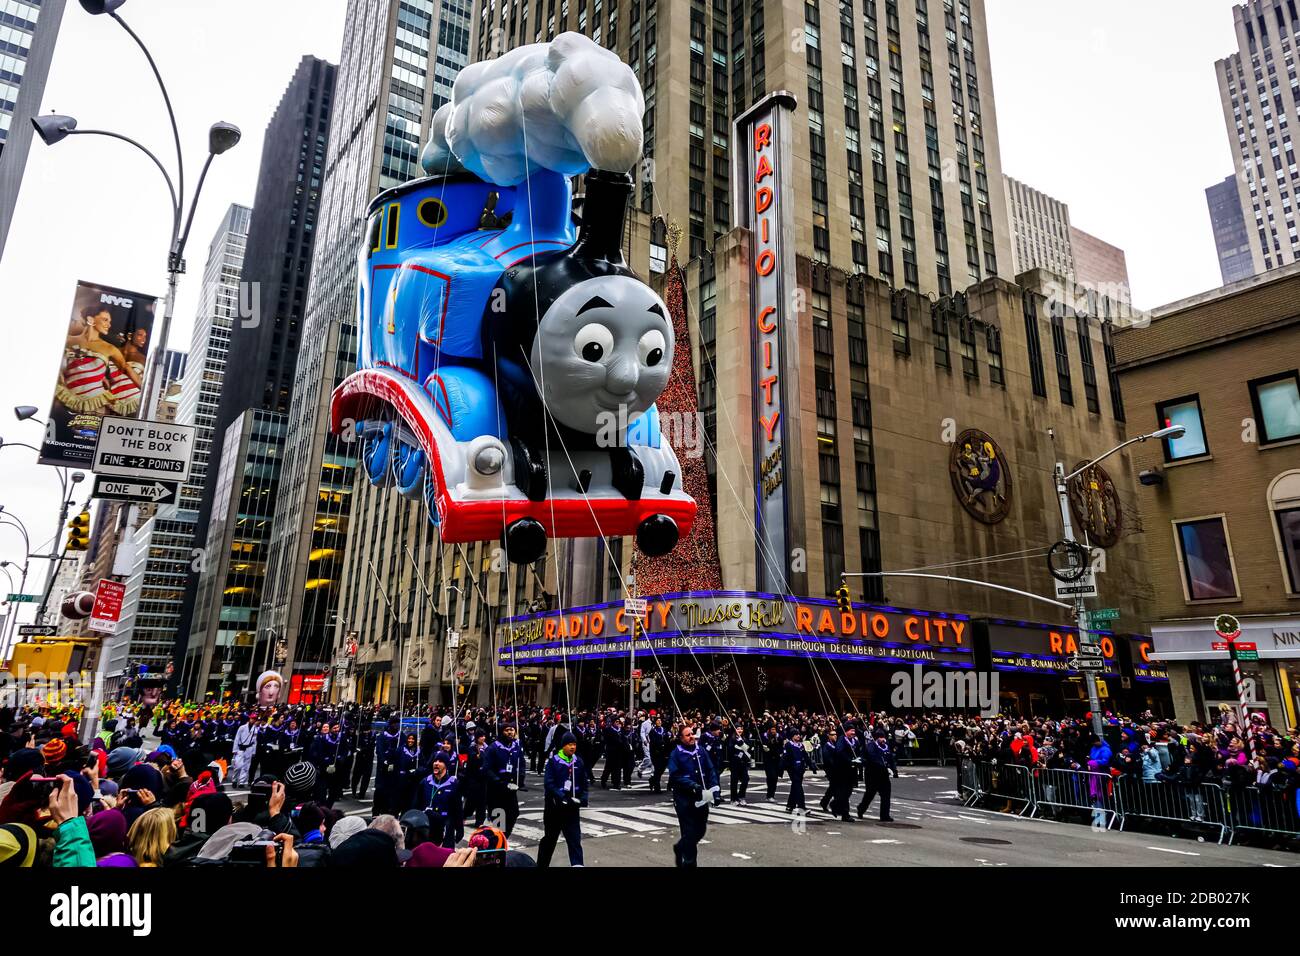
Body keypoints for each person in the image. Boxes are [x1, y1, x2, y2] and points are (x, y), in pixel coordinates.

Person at [667, 725, 718, 867]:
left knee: (700, 830)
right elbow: (675, 776)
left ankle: (680, 847)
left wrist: (716, 791)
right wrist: (692, 785)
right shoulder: (676, 754)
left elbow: (710, 770)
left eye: (692, 734)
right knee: (689, 832)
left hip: (701, 798)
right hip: (684, 800)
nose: (692, 737)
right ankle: (689, 862)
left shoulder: (700, 750)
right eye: (688, 735)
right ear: (681, 738)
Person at [537, 732, 587, 867]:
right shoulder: (554, 762)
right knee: (550, 840)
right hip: (554, 810)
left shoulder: (579, 761)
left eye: (574, 744)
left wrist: (583, 798)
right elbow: (549, 783)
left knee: (575, 840)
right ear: (563, 746)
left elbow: (584, 783)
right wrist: (561, 796)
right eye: (570, 744)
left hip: (571, 809)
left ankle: (577, 865)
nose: (572, 747)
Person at [483, 723, 526, 835]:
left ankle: (503, 839)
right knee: (499, 823)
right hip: (496, 793)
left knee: (513, 814)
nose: (510, 732)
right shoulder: (493, 748)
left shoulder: (516, 747)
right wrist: (498, 781)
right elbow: (487, 769)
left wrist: (520, 778)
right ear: (502, 732)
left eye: (512, 730)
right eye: (507, 730)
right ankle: (499, 846)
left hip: (510, 791)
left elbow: (521, 763)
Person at [857, 729, 896, 822]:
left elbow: (890, 758)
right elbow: (872, 758)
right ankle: (861, 808)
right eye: (881, 737)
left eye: (884, 737)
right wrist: (882, 764)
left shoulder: (886, 746)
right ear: (876, 738)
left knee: (886, 795)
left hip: (884, 774)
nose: (883, 739)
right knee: (870, 794)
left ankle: (885, 815)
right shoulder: (871, 746)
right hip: (872, 774)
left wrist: (894, 769)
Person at [830, 725, 863, 822]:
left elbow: (859, 751)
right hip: (842, 770)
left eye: (854, 731)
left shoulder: (855, 741)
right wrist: (850, 760)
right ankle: (844, 813)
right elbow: (839, 752)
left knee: (848, 792)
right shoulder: (842, 740)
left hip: (851, 771)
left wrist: (859, 759)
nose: (853, 732)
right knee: (843, 792)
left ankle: (837, 806)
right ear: (846, 731)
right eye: (851, 731)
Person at [782, 730, 810, 813]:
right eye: (796, 734)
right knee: (798, 787)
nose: (798, 736)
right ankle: (802, 807)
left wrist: (811, 765)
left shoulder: (801, 745)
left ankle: (790, 806)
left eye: (799, 734)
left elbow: (805, 755)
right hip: (792, 769)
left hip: (800, 769)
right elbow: (786, 757)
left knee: (795, 787)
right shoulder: (788, 745)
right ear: (792, 736)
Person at [728, 725, 753, 805]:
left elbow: (749, 748)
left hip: (743, 762)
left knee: (746, 779)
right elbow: (731, 749)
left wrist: (742, 744)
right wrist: (738, 746)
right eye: (738, 729)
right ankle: (733, 799)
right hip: (734, 763)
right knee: (734, 781)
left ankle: (741, 796)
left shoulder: (745, 738)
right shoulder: (732, 739)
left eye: (741, 729)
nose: (740, 730)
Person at [351, 724, 375, 800]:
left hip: (368, 759)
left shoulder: (373, 736)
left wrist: (363, 749)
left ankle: (362, 793)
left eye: (368, 730)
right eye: (365, 731)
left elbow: (371, 746)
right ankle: (353, 790)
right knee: (356, 776)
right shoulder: (359, 736)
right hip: (360, 759)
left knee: (366, 778)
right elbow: (355, 745)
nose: (366, 732)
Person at [761, 724, 784, 802]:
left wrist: (781, 753)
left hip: (776, 759)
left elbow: (781, 747)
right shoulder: (765, 737)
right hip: (768, 759)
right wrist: (763, 747)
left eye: (774, 729)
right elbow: (760, 743)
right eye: (772, 729)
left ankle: (771, 795)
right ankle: (769, 794)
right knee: (770, 776)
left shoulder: (779, 737)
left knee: (775, 778)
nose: (773, 731)